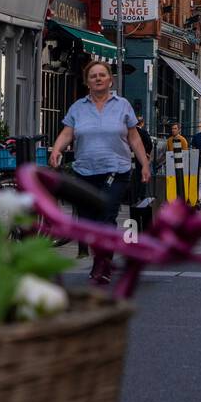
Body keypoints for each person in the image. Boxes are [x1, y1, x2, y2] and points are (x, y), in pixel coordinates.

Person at [49, 59, 151, 286]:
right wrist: (57, 149)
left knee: (106, 215)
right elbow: (68, 133)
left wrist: (144, 163)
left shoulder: (123, 105)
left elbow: (134, 137)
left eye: (102, 75)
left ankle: (102, 263)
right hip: (84, 172)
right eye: (93, 76)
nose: (97, 78)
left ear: (110, 79)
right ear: (87, 82)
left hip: (116, 170)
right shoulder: (78, 107)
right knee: (87, 221)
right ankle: (101, 257)